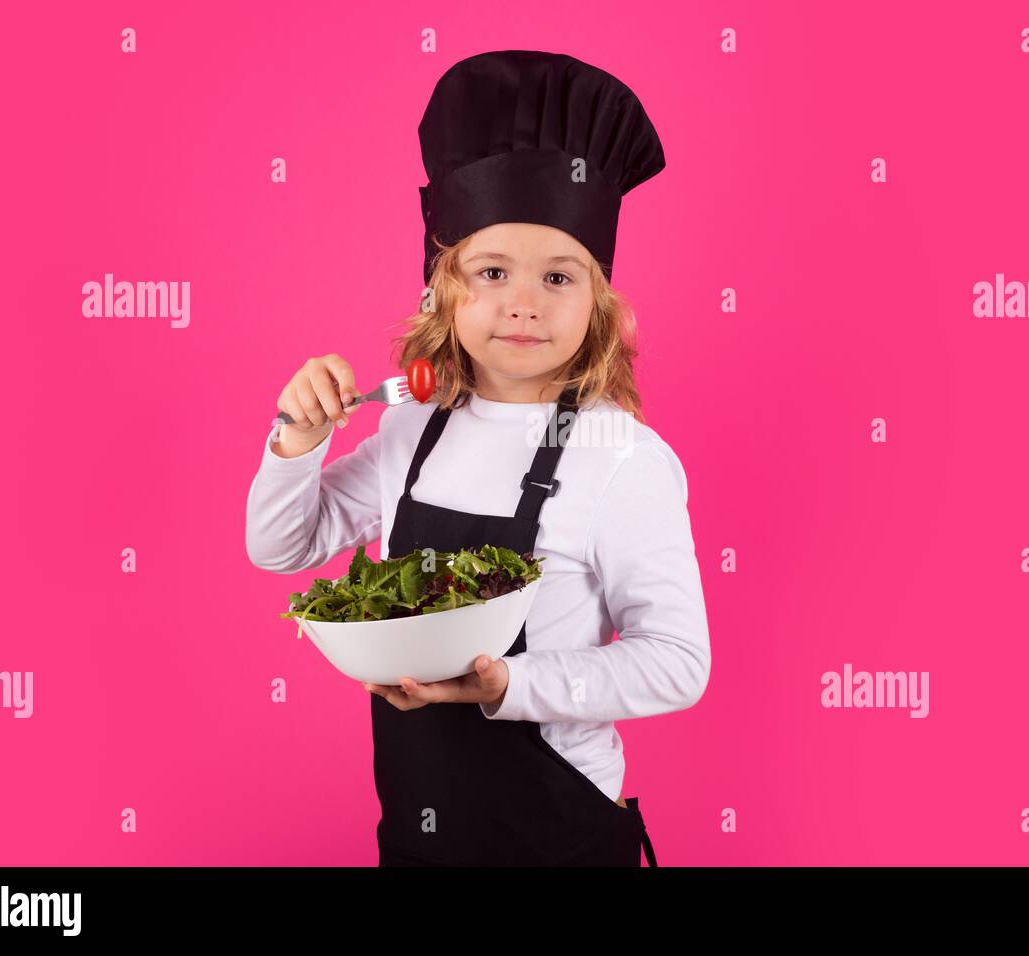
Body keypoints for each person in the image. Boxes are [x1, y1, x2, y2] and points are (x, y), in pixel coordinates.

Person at [246, 50, 709, 866]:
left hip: (557, 836)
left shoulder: (622, 457)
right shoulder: (412, 426)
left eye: (558, 277)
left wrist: (509, 687)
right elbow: (283, 546)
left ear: (598, 302)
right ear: (442, 288)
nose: (524, 302)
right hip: (420, 836)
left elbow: (677, 663)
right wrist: (298, 437)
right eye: (492, 271)